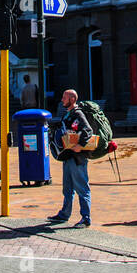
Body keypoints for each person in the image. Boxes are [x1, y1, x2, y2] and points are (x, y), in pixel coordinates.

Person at [49, 89, 93, 227]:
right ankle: (64, 214)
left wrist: (80, 145)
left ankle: (86, 218)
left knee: (81, 187)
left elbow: (88, 130)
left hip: (77, 158)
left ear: (72, 99)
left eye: (64, 97)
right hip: (68, 157)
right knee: (67, 188)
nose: (62, 100)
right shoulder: (68, 115)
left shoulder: (78, 114)